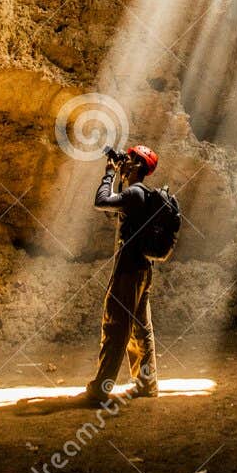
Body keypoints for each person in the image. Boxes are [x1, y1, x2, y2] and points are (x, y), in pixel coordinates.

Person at [83, 144, 162, 405]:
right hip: (142, 269)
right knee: (140, 328)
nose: (124, 163)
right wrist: (118, 175)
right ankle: (146, 384)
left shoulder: (135, 194)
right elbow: (118, 201)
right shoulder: (142, 195)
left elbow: (101, 201)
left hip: (129, 271)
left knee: (116, 326)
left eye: (129, 160)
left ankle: (101, 388)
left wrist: (108, 173)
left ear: (139, 166)